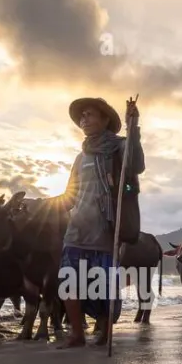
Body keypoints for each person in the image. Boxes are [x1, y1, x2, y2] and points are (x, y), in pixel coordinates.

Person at [55, 96, 144, 348]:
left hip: (107, 228)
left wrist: (133, 126)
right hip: (77, 229)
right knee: (68, 280)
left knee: (104, 285)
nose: (84, 119)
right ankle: (76, 334)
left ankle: (104, 328)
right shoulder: (80, 157)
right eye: (81, 116)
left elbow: (136, 164)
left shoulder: (120, 147)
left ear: (105, 119)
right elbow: (70, 193)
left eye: (90, 114)